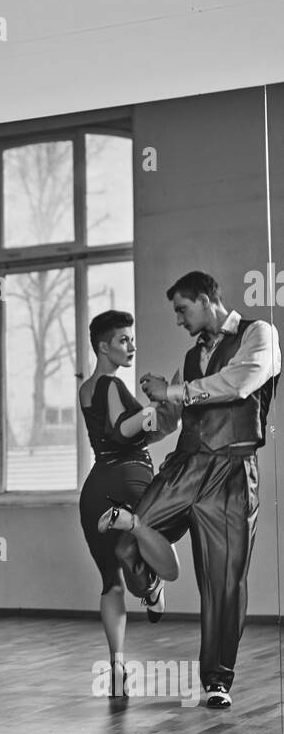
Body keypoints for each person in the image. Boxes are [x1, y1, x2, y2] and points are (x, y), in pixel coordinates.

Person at [101, 270, 281, 710]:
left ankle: (217, 681)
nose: (179, 320)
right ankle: (152, 586)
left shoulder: (260, 334)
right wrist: (149, 411)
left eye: (182, 309)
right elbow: (169, 418)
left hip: (232, 474)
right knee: (127, 544)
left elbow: (240, 382)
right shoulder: (190, 356)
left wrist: (176, 389)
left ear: (205, 300)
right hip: (185, 467)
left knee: (222, 583)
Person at [78, 310, 178, 697]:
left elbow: (111, 433)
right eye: (123, 340)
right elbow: (123, 431)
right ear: (104, 346)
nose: (131, 346)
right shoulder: (112, 385)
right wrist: (160, 405)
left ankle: (117, 666)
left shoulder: (86, 389)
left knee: (110, 583)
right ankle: (152, 589)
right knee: (156, 544)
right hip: (132, 479)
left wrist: (149, 418)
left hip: (95, 489)